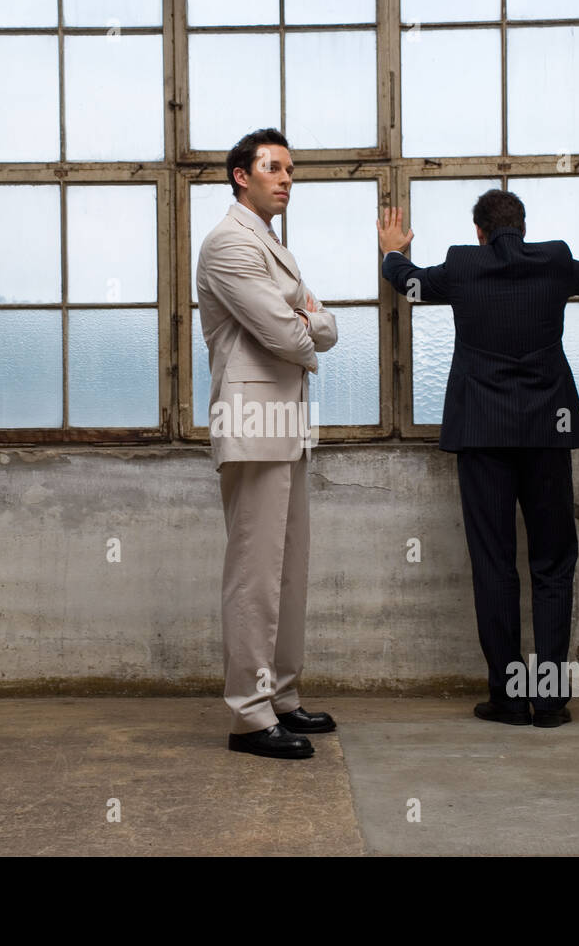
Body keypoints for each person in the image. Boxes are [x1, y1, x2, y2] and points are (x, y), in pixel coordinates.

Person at [378, 190, 579, 728]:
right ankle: (552, 702)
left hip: (483, 435)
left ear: (479, 232)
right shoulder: (556, 260)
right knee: (553, 565)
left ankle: (510, 699)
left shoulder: (465, 265)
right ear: (523, 226)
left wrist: (393, 251)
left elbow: (410, 283)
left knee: (495, 565)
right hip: (547, 434)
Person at [196, 128, 338, 758]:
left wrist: (307, 324)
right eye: (272, 168)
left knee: (288, 572)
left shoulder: (273, 246)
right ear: (240, 176)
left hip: (286, 428)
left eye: (289, 170)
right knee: (254, 576)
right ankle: (250, 718)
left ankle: (281, 695)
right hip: (254, 426)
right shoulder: (229, 243)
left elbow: (321, 323)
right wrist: (306, 325)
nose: (285, 179)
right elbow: (289, 333)